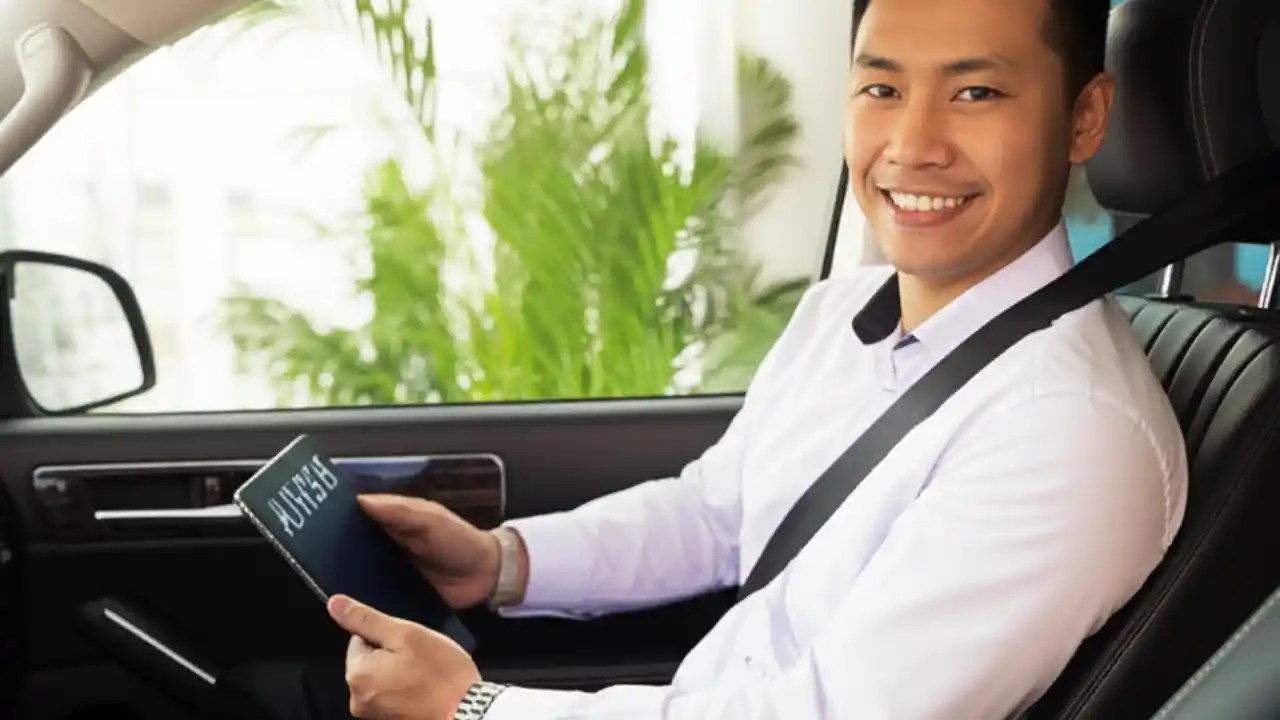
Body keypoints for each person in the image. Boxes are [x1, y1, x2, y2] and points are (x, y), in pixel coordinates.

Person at [322, 0, 1189, 717]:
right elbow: (719, 512)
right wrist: (501, 561)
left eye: (976, 92)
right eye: (882, 87)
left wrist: (477, 709)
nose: (913, 143)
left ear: (1084, 118)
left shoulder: (1068, 430)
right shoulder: (842, 311)